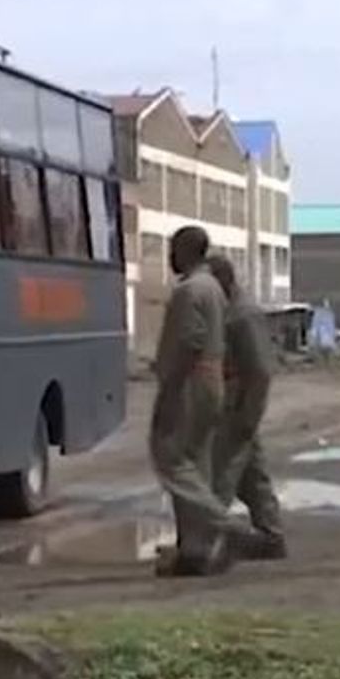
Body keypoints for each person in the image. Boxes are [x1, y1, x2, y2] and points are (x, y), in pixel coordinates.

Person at [150, 226, 242, 576]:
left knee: (171, 460)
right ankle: (195, 550)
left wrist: (170, 389)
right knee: (196, 465)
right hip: (211, 379)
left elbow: (190, 342)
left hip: (190, 381)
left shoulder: (190, 290)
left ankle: (227, 526)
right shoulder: (213, 287)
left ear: (187, 250)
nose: (169, 256)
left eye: (173, 248)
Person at [206, 255, 287, 559]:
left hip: (236, 407)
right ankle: (271, 536)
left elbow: (260, 371)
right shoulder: (229, 311)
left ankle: (205, 545)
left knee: (218, 479)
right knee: (252, 478)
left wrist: (249, 415)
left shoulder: (242, 316)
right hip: (232, 407)